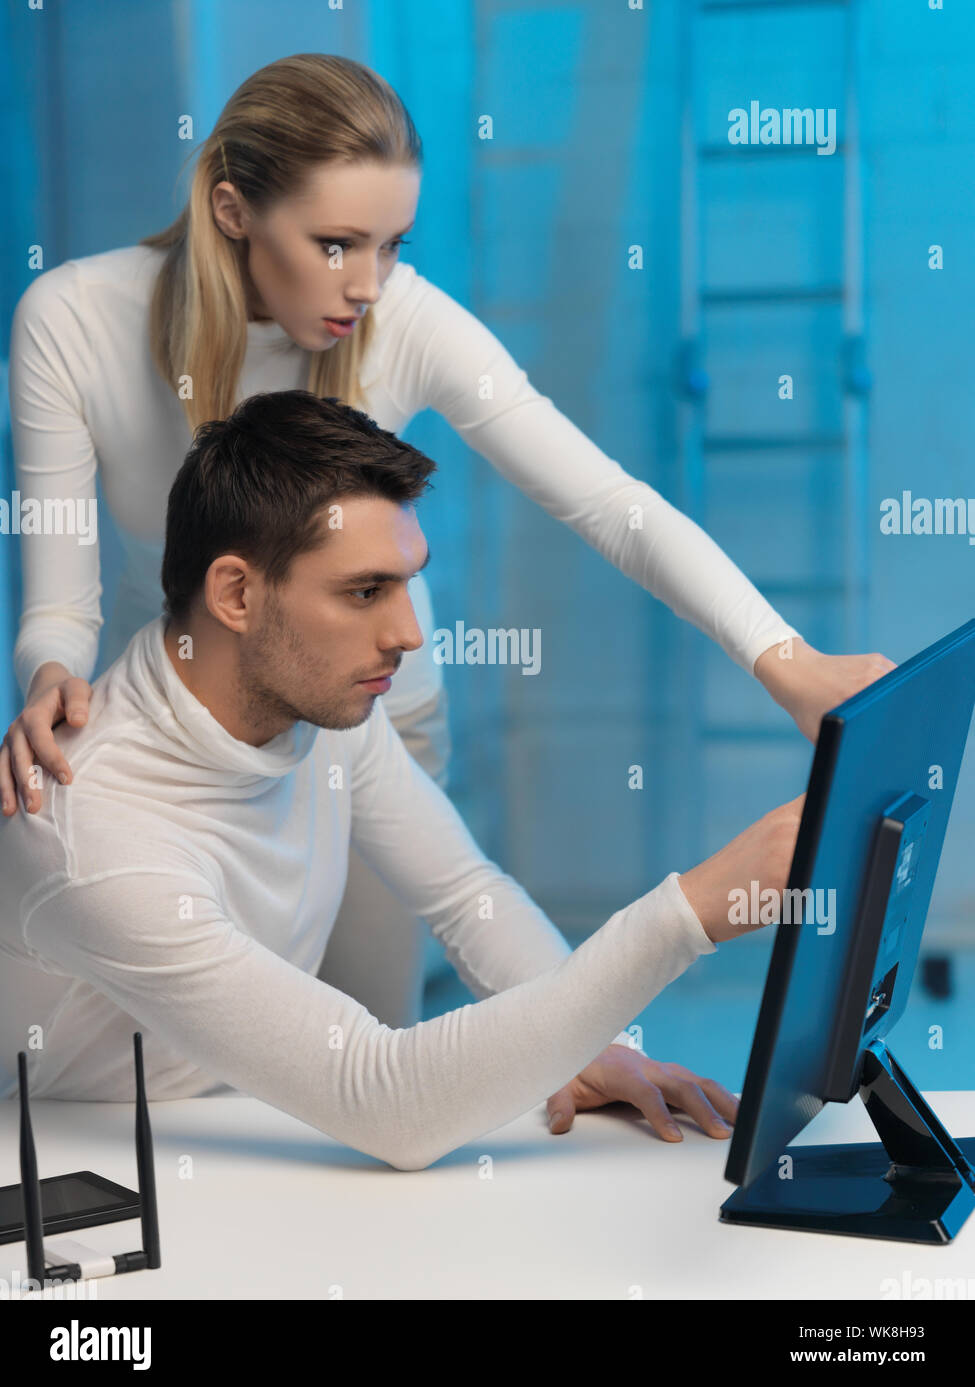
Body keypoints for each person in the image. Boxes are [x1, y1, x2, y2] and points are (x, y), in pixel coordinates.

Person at [1, 52, 892, 1032]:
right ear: (232, 210)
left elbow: (609, 502)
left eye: (390, 245)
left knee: (370, 1041)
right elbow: (59, 600)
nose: (369, 284)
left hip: (371, 732)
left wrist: (785, 659)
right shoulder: (73, 320)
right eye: (336, 242)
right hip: (186, 737)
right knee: (219, 1063)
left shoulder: (403, 319)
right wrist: (48, 675)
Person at [0, 390, 804, 1171]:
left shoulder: (315, 705)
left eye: (406, 579)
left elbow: (463, 893)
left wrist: (593, 1048)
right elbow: (384, 1101)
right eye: (364, 592)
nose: (408, 632)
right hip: (91, 1186)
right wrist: (691, 911)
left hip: (239, 1142)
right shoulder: (89, 832)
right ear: (236, 594)